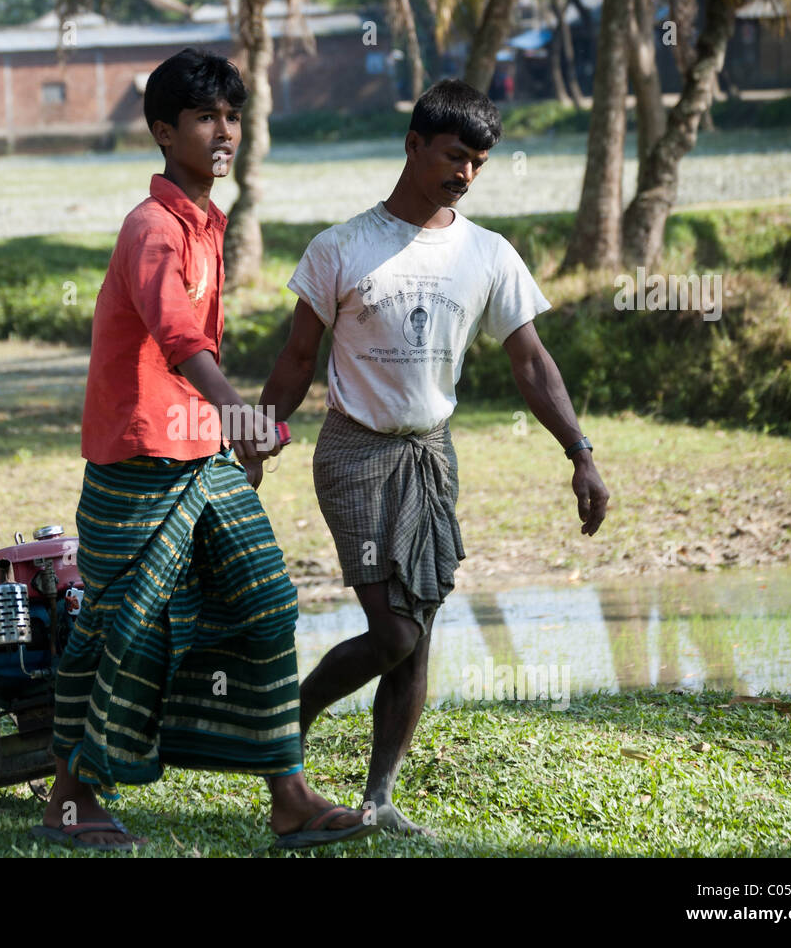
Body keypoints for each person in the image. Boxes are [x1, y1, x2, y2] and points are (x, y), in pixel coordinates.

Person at [32, 48, 377, 852]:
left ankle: (287, 795)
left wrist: (233, 437)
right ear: (163, 131)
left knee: (265, 603)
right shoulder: (152, 228)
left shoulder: (208, 225)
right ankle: (69, 796)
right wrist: (239, 415)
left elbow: (197, 351)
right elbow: (177, 334)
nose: (224, 132)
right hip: (136, 462)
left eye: (232, 117)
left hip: (202, 460)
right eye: (204, 119)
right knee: (127, 624)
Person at [258, 79, 610, 835]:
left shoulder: (488, 254)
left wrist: (579, 452)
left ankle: (379, 797)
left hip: (431, 456)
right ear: (414, 144)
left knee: (418, 632)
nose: (466, 174)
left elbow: (532, 365)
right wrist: (257, 438)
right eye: (455, 156)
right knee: (393, 632)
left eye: (479, 162)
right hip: (353, 453)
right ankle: (286, 724)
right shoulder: (341, 248)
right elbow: (295, 360)